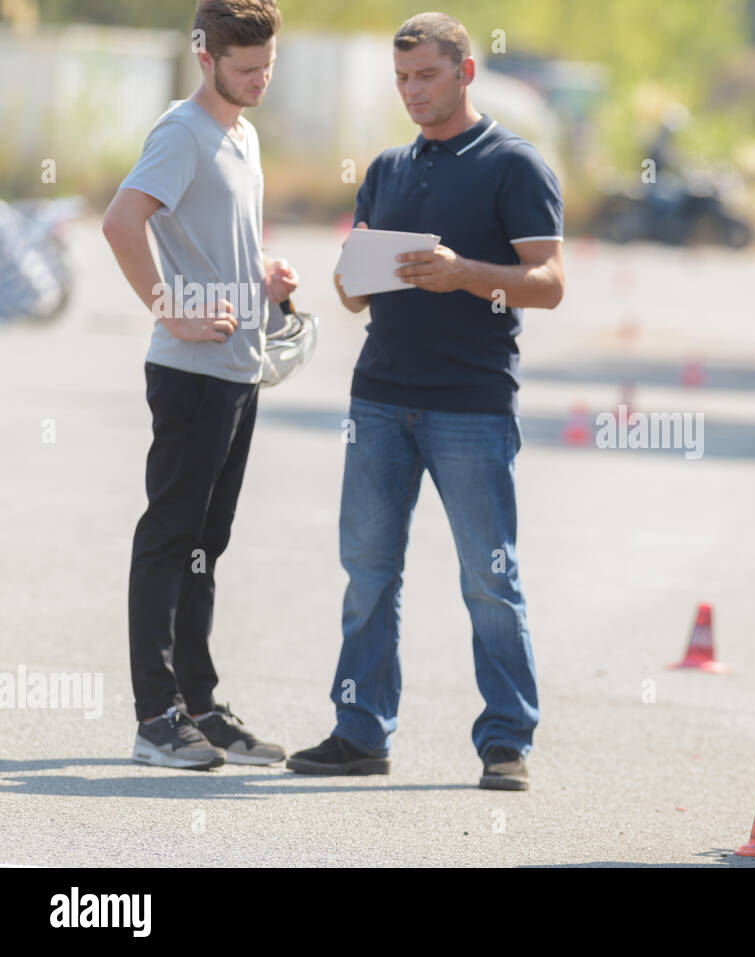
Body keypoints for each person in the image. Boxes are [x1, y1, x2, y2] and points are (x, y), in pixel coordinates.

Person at [287, 12, 564, 791]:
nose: (412, 91)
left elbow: (549, 284)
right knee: (368, 574)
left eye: (427, 77)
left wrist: (464, 272)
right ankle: (359, 732)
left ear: (466, 73)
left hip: (471, 404)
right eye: (402, 79)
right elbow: (349, 294)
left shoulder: (516, 165)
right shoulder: (385, 167)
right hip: (378, 398)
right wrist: (348, 273)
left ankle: (506, 740)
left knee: (488, 578)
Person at [102, 0, 295, 769]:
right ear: (205, 57)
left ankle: (202, 708)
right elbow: (122, 222)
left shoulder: (242, 132)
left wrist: (265, 276)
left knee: (205, 547)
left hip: (239, 368)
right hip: (190, 373)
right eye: (245, 69)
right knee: (169, 540)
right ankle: (157, 719)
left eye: (268, 68)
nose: (259, 81)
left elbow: (215, 239)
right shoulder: (182, 133)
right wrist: (171, 311)